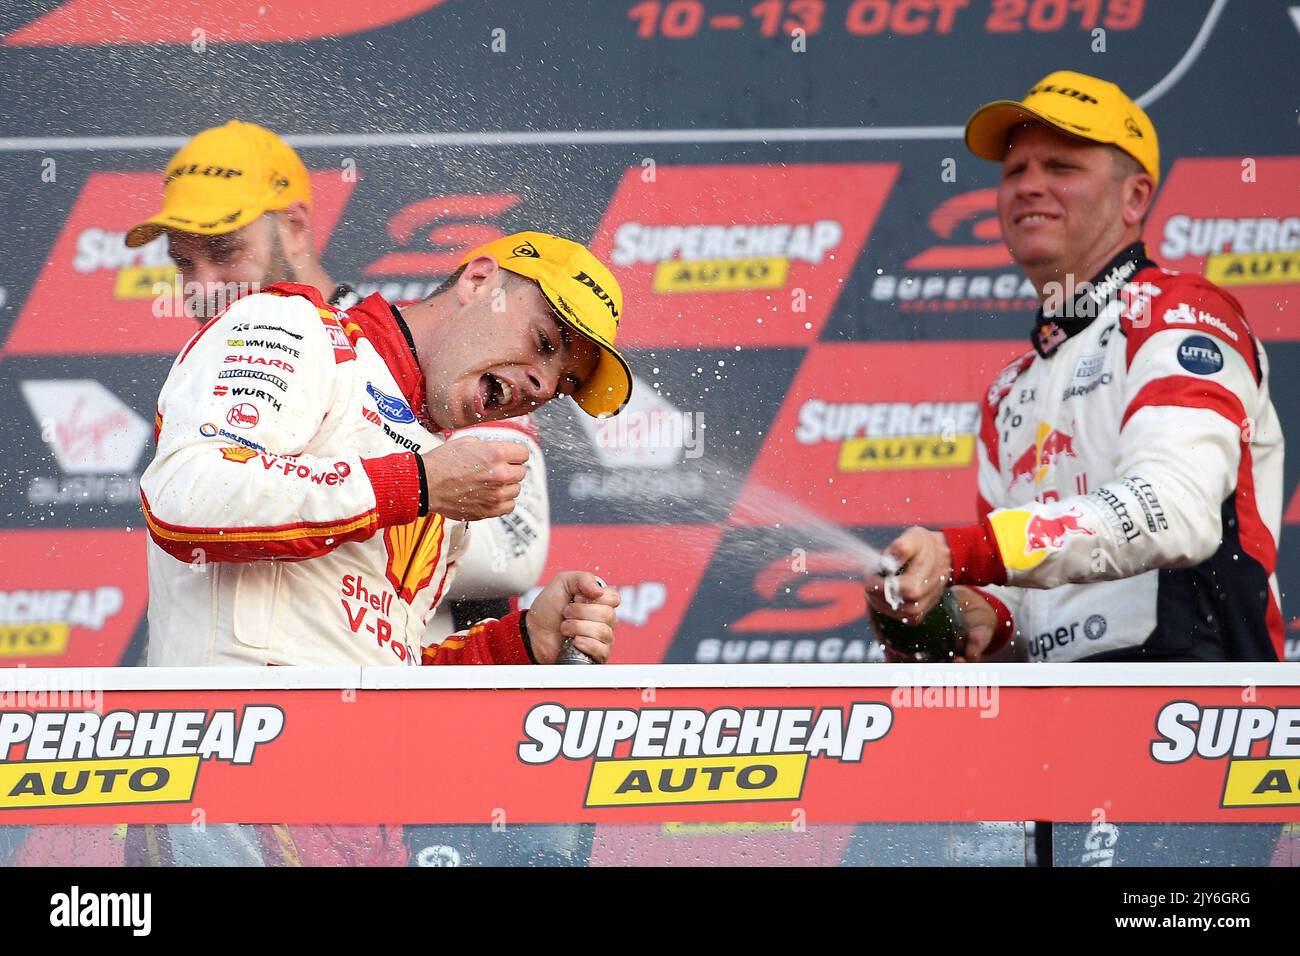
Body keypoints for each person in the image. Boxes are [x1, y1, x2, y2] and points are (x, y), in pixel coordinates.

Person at [866, 69, 1284, 866]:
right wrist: (958, 621)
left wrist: (968, 551)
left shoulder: (1178, 315)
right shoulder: (1011, 391)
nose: (1029, 186)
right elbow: (1025, 612)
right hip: (1058, 753)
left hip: (1192, 738)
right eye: (1016, 169)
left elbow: (1174, 511)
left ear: (1134, 200)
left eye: (1062, 167)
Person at [124, 120, 551, 661]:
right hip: (257, 702)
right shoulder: (227, 355)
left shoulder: (446, 362)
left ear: (296, 227)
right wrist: (387, 490)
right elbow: (197, 510)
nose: (203, 285)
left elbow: (512, 551)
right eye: (184, 263)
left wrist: (396, 490)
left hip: (376, 692)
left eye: (226, 250)